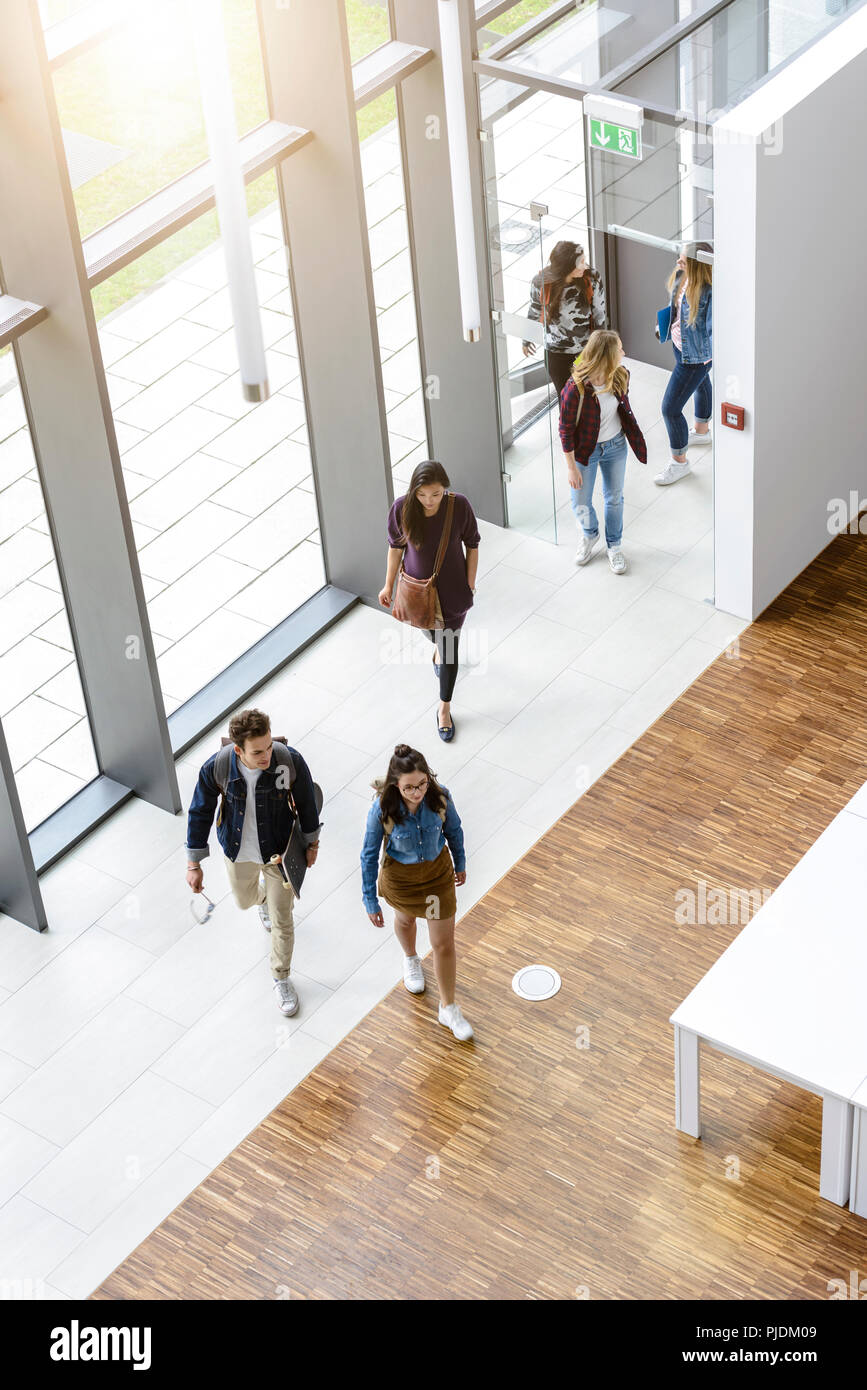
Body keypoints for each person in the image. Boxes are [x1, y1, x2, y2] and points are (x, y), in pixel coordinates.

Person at [185, 707, 322, 1018]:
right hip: (239, 851)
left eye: (269, 746)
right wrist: (194, 863)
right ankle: (262, 900)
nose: (267, 756)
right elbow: (200, 812)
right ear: (238, 750)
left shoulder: (288, 761)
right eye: (258, 752)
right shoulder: (217, 768)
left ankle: (281, 976)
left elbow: (307, 803)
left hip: (279, 853)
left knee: (283, 920)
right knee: (244, 900)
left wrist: (312, 843)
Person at [360, 744, 472, 1041]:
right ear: (396, 784)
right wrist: (370, 899)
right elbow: (369, 855)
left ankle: (448, 1007)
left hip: (436, 878)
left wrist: (460, 862)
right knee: (406, 921)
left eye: (422, 783)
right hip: (402, 880)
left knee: (442, 943)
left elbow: (455, 830)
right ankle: (410, 958)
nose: (416, 792)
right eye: (408, 787)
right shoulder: (382, 809)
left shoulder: (440, 797)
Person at [379, 460, 480, 743]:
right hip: (416, 593)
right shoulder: (402, 508)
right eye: (422, 495)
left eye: (435, 494)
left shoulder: (458, 506)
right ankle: (437, 648)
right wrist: (388, 584)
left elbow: (472, 544)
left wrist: (470, 584)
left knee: (449, 649)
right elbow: (395, 547)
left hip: (452, 593)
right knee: (431, 633)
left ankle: (444, 707)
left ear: (444, 488)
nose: (429, 501)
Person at [558, 329, 647, 574]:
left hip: (616, 446)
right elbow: (565, 429)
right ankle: (590, 534)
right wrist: (571, 467)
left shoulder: (621, 376)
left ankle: (614, 546)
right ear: (607, 355)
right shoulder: (575, 388)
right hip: (586, 451)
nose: (624, 353)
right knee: (580, 502)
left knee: (614, 498)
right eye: (619, 349)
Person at [656, 242, 713, 486]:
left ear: (697, 266)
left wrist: (712, 356)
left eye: (683, 260)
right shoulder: (682, 277)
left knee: (670, 409)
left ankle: (679, 463)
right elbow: (676, 309)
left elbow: (713, 329)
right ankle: (702, 432)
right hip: (681, 345)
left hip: (696, 357)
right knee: (701, 385)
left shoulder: (710, 291)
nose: (678, 263)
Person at [523, 239, 607, 401]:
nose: (585, 265)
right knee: (567, 403)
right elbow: (534, 309)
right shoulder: (540, 282)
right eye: (580, 262)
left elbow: (599, 315)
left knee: (588, 400)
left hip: (585, 351)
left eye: (584, 260)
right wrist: (526, 339)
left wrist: (601, 349)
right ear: (566, 267)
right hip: (555, 354)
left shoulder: (592, 278)